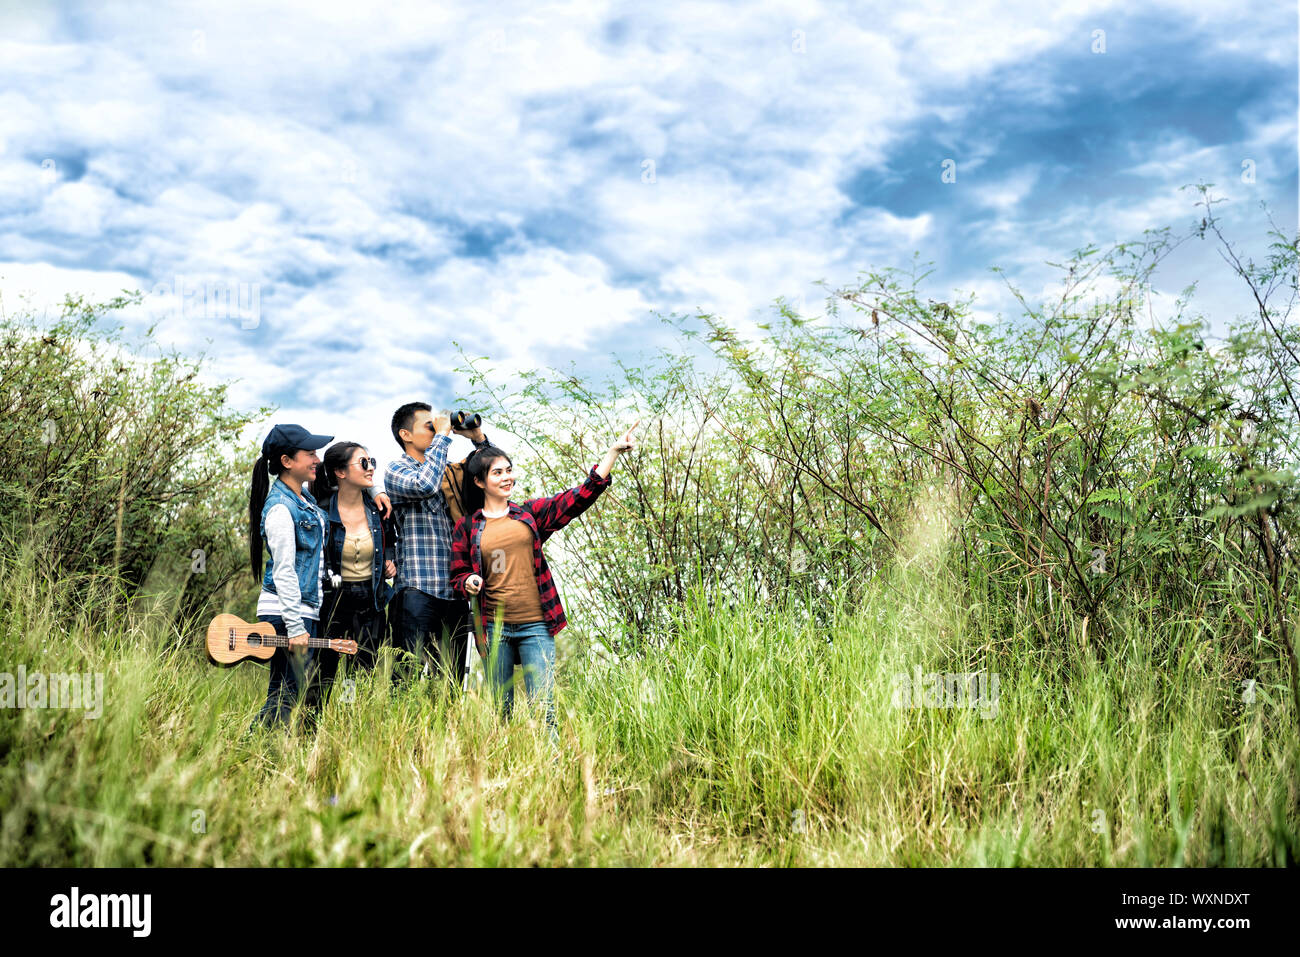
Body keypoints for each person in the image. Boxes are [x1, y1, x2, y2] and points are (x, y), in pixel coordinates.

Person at [450, 423, 638, 740]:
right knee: (501, 711)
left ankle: (551, 771)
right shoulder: (467, 528)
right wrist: (468, 580)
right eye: (497, 473)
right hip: (494, 629)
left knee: (544, 709)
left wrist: (612, 453)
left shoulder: (529, 515)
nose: (507, 477)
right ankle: (504, 770)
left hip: (535, 624)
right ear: (480, 481)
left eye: (509, 470)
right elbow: (457, 574)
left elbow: (579, 497)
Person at [247, 424, 391, 731]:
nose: (317, 459)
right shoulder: (281, 509)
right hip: (288, 613)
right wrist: (296, 627)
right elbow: (284, 570)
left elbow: (343, 492)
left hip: (303, 610)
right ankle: (251, 748)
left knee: (291, 691)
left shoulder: (306, 501)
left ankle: (267, 752)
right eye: (310, 453)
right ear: (287, 461)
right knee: (287, 693)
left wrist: (374, 488)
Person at [384, 403, 493, 687]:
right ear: (406, 434)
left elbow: (490, 474)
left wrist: (478, 438)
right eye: (429, 426)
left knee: (452, 681)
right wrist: (443, 437)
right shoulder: (397, 469)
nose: (437, 431)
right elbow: (425, 485)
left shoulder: (449, 472)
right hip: (417, 588)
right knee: (407, 677)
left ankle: (447, 731)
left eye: (437, 425)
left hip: (455, 590)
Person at [306, 441, 400, 708]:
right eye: (363, 463)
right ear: (340, 472)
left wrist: (390, 562)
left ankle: (348, 723)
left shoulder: (379, 510)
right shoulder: (320, 511)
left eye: (372, 462)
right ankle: (310, 731)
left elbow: (390, 543)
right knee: (323, 672)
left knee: (359, 673)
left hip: (370, 602)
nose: (370, 468)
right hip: (333, 600)